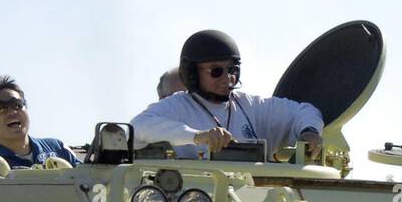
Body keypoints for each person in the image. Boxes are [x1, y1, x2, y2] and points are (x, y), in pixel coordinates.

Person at [131, 30, 323, 160]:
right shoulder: (177, 106)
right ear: (191, 72)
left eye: (232, 70)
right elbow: (138, 127)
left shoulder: (250, 106)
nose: (227, 78)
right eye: (216, 71)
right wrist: (198, 137)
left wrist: (309, 131)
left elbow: (305, 111)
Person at [0, 76, 79, 173]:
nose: (12, 112)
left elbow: (88, 181)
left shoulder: (57, 148)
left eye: (17, 105)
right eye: (0, 109)